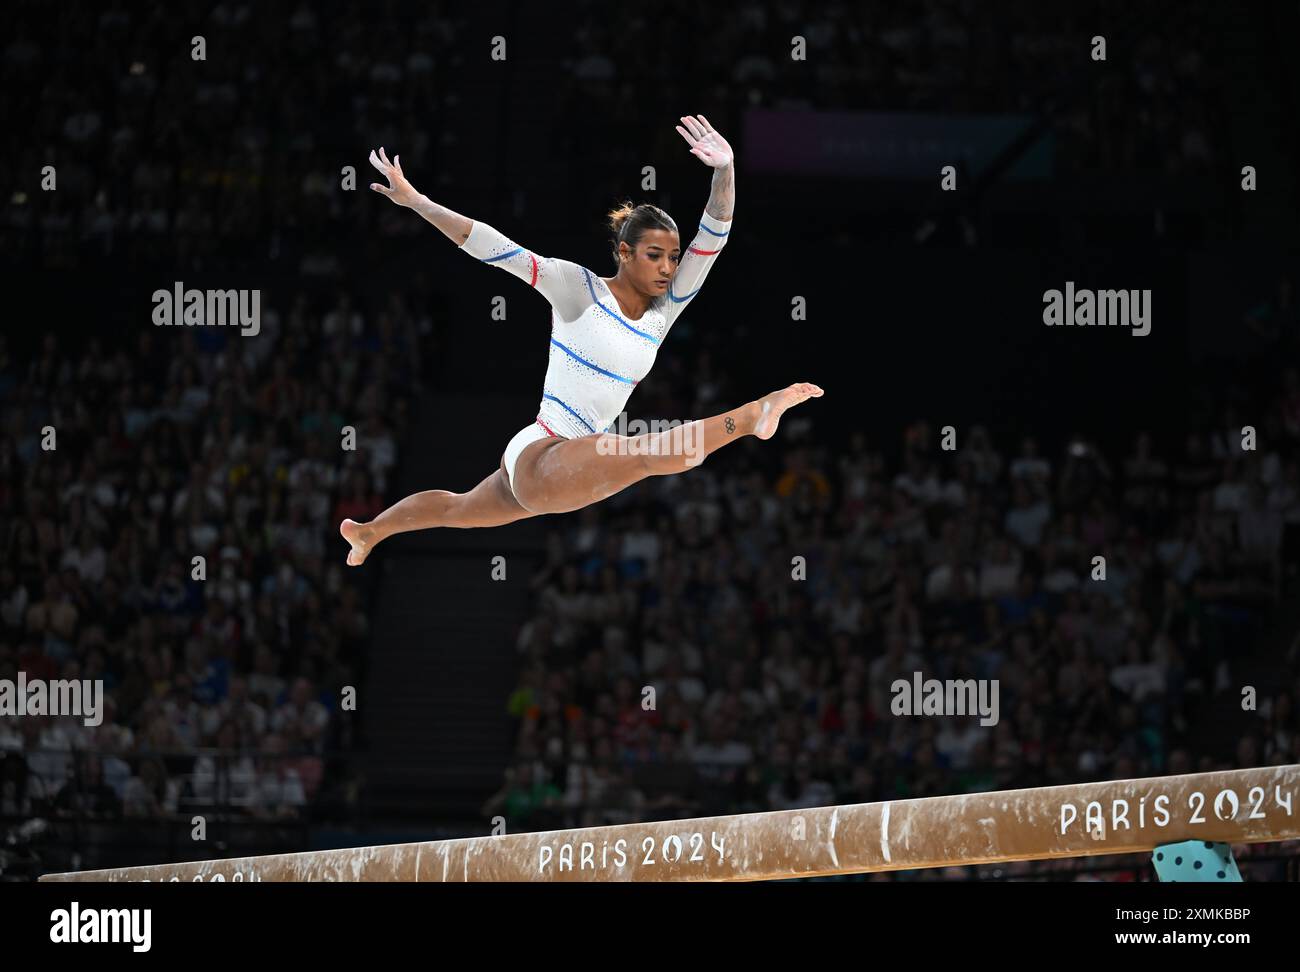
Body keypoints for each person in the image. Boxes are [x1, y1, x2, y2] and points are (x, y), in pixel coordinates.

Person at [340, 115, 822, 566]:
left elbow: (714, 233)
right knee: (640, 453)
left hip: (561, 458)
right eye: (654, 255)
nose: (667, 268)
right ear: (624, 252)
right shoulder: (578, 288)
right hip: (542, 451)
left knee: (458, 507)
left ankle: (370, 532)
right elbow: (493, 247)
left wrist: (726, 169)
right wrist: (419, 203)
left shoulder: (666, 308)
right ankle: (753, 414)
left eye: (672, 257)